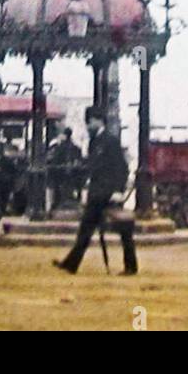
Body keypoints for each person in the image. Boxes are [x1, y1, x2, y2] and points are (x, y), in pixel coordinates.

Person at [53, 111, 137, 275]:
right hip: (97, 193)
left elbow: (121, 168)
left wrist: (118, 191)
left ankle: (72, 264)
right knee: (89, 229)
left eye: (90, 121)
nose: (88, 125)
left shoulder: (110, 141)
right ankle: (72, 263)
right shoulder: (95, 141)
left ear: (99, 120)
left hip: (106, 193)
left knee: (117, 229)